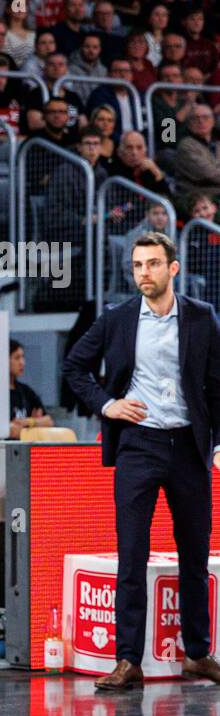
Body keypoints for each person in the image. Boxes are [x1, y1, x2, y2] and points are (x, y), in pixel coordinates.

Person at [63, 232, 220, 690]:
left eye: (152, 264)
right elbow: (74, 367)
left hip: (189, 447)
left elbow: (217, 388)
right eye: (136, 265)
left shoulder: (201, 317)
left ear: (173, 268)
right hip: (138, 445)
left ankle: (197, 653)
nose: (143, 273)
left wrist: (215, 444)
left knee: (194, 552)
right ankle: (128, 659)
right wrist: (107, 404)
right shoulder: (117, 318)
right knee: (131, 553)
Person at [8, 339, 53, 438]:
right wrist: (36, 425)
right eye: (17, 358)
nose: (22, 363)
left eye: (23, 357)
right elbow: (12, 432)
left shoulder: (25, 391)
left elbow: (48, 421)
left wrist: (29, 422)